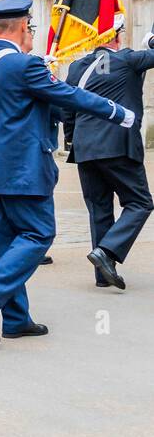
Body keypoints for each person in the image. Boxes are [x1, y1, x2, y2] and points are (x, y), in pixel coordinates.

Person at [0, 0, 134, 344]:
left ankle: (16, 319)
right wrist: (118, 112)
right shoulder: (26, 66)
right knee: (39, 234)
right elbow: (70, 98)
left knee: (8, 239)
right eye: (31, 28)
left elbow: (24, 106)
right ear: (25, 27)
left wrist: (42, 71)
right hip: (24, 167)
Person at [63, 15, 154, 289]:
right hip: (117, 146)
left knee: (99, 209)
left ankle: (103, 275)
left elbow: (67, 109)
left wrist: (72, 140)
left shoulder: (77, 67)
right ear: (116, 35)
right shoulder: (127, 59)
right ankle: (107, 251)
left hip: (85, 148)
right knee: (140, 202)